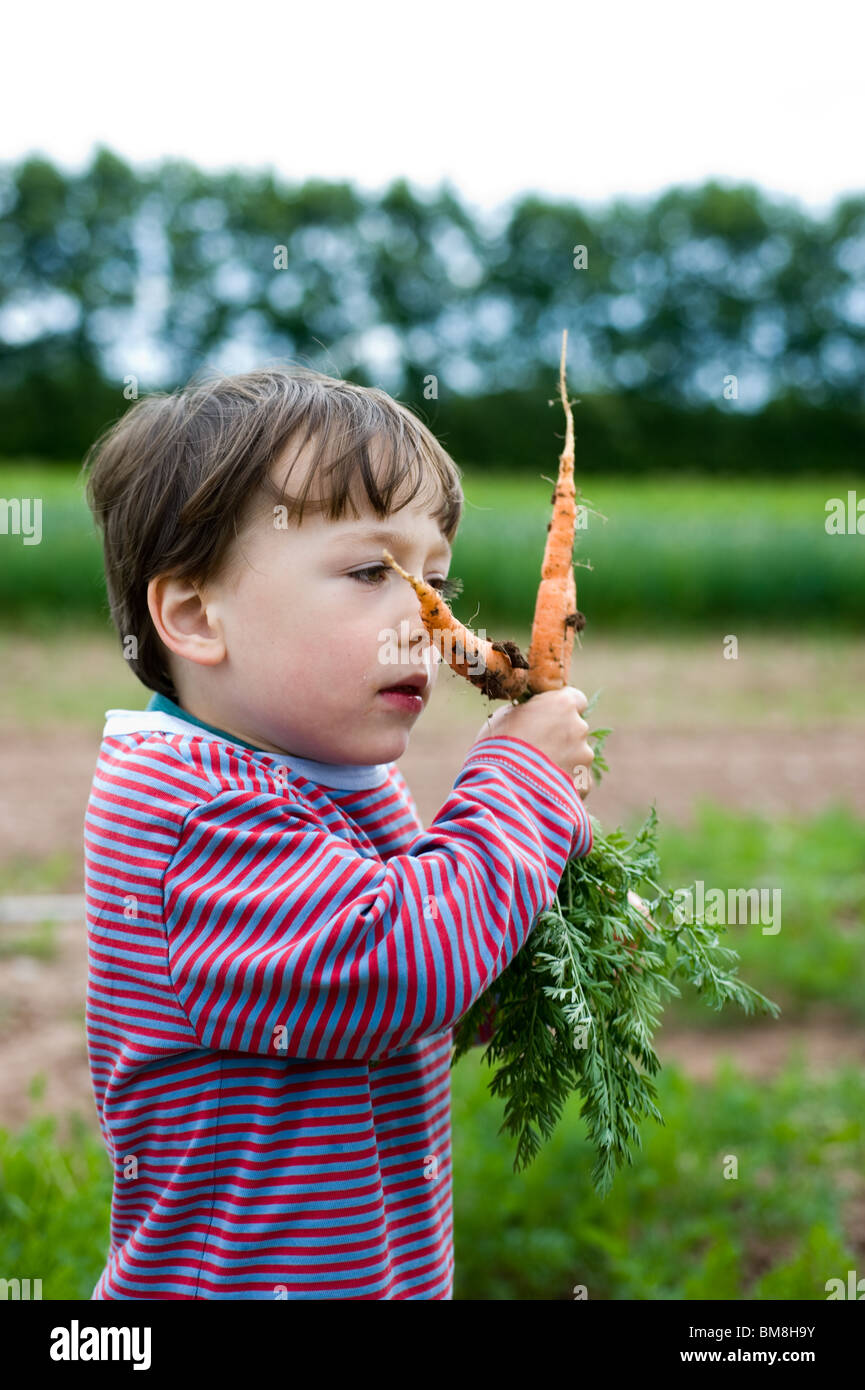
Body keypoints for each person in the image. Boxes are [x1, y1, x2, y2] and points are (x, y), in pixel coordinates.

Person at [81, 365, 595, 1300]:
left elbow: (413, 1009)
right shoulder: (194, 809)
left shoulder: (328, 781)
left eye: (434, 581)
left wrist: (544, 891)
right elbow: (397, 964)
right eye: (372, 573)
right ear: (196, 616)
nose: (428, 622)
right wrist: (522, 784)